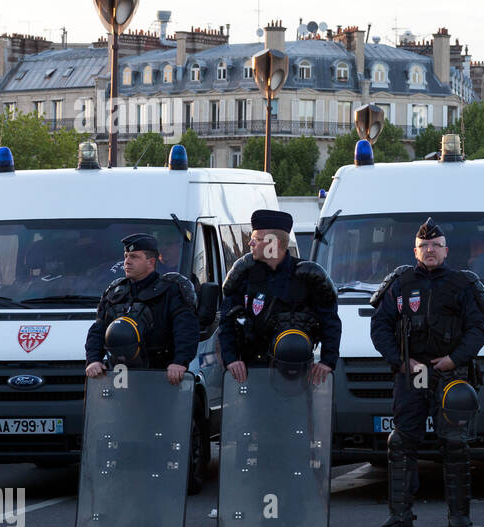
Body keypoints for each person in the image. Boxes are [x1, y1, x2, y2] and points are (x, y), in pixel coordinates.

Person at [369, 218, 484, 527]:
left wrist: (455, 359)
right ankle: (400, 517)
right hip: (414, 374)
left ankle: (459, 518)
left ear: (446, 250)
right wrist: (400, 360)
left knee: (454, 444)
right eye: (424, 246)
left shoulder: (462, 285)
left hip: (448, 375)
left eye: (435, 245)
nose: (430, 250)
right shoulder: (400, 283)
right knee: (401, 442)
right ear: (415, 250)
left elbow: (480, 330)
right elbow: (380, 327)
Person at [84, 233, 203, 488]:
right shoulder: (115, 291)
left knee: (167, 433)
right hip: (123, 378)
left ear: (152, 261)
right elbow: (98, 329)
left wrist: (180, 361)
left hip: (161, 375)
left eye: (134, 257)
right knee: (122, 432)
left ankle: (177, 481)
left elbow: (186, 329)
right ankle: (125, 481)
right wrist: (93, 360)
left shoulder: (171, 291)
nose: (127, 262)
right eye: (126, 256)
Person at [219, 209, 341, 388]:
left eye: (257, 239)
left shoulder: (308, 276)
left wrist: (327, 361)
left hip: (298, 373)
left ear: (273, 244)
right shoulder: (244, 275)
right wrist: (230, 359)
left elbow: (330, 321)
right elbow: (227, 321)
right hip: (253, 372)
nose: (250, 242)